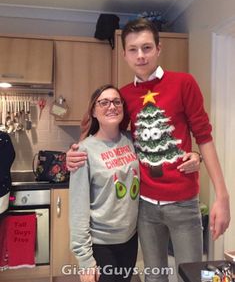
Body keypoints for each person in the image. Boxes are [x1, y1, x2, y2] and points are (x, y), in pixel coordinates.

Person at [67, 18, 230, 282]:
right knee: (155, 277)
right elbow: (113, 135)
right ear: (124, 54)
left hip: (183, 202)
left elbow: (204, 135)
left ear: (158, 48)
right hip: (143, 207)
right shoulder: (124, 96)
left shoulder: (184, 83)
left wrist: (222, 196)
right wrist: (74, 152)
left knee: (192, 276)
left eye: (146, 47)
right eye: (133, 49)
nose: (140, 55)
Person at [69, 84, 140, 282]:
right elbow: (78, 209)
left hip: (130, 239)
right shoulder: (83, 151)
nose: (112, 106)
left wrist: (195, 155)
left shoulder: (130, 140)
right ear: (93, 110)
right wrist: (85, 260)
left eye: (117, 102)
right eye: (104, 102)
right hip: (101, 244)